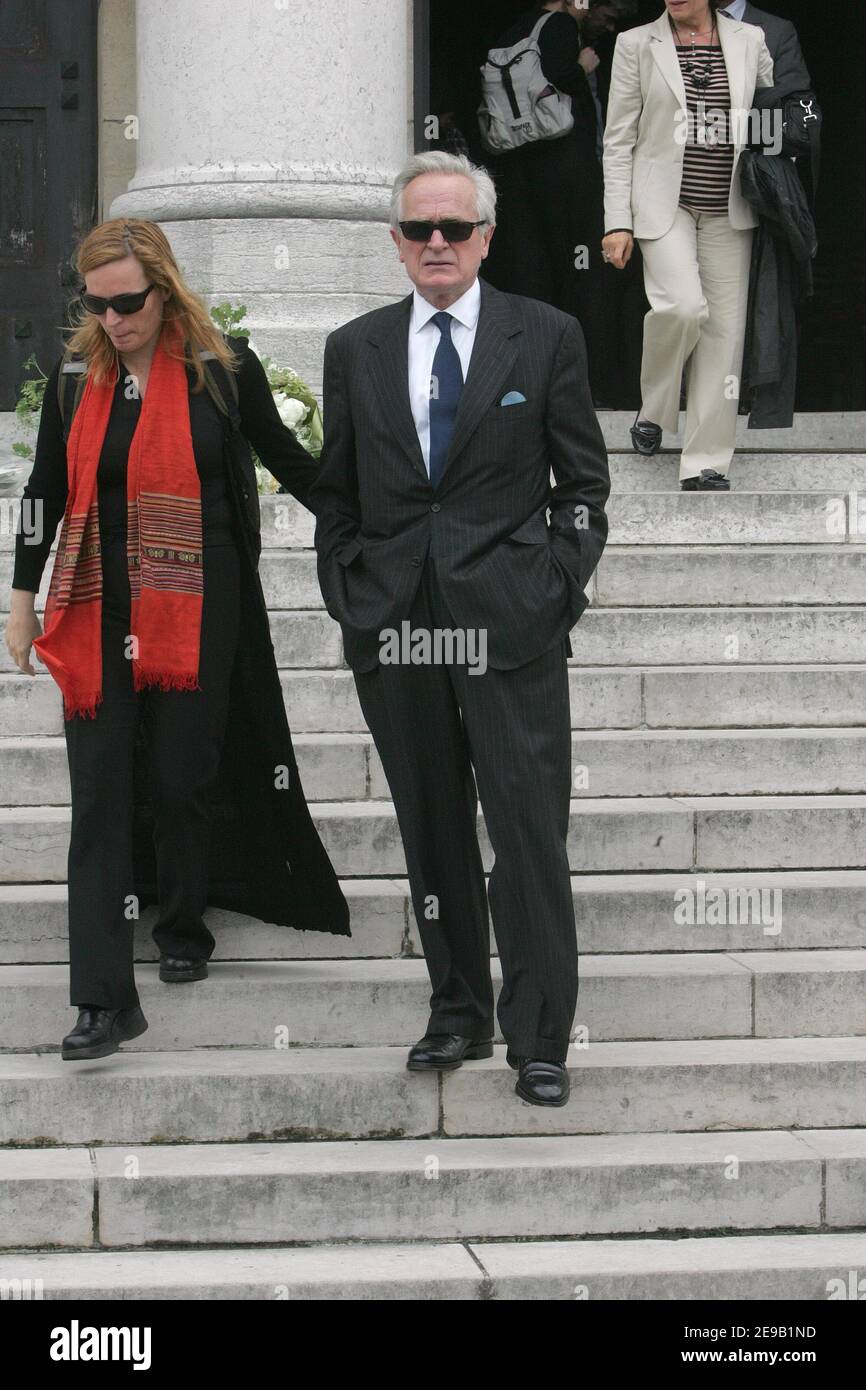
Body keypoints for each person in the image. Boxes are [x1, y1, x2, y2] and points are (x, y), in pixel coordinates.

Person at [4, 218, 349, 1062]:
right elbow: (45, 491)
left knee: (183, 774)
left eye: (129, 303)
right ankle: (102, 1002)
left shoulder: (220, 369)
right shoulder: (76, 378)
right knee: (99, 792)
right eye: (98, 303)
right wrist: (21, 600)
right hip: (93, 604)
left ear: (164, 288)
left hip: (200, 601)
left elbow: (291, 462)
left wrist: (375, 525)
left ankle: (185, 923)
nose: (114, 319)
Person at [311, 151, 610, 1107]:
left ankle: (540, 1038)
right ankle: (456, 1012)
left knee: (527, 833)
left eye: (453, 228)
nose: (435, 243)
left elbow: (584, 485)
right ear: (395, 245)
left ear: (485, 235)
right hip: (398, 625)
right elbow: (339, 492)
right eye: (417, 229)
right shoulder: (354, 347)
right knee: (430, 828)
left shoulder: (548, 334)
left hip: (510, 625)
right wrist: (350, 589)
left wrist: (557, 584)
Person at [602, 0, 773, 488]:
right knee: (681, 308)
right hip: (664, 205)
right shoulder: (635, 44)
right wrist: (617, 222)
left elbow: (770, 113)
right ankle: (655, 406)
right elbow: (618, 141)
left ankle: (705, 463)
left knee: (723, 335)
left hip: (731, 206)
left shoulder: (750, 39)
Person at [481, 1, 610, 403]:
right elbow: (557, 77)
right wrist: (585, 65)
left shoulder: (513, 28)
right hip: (565, 164)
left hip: (521, 163)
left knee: (533, 272)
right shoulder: (557, 25)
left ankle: (532, 376)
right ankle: (585, 380)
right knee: (579, 267)